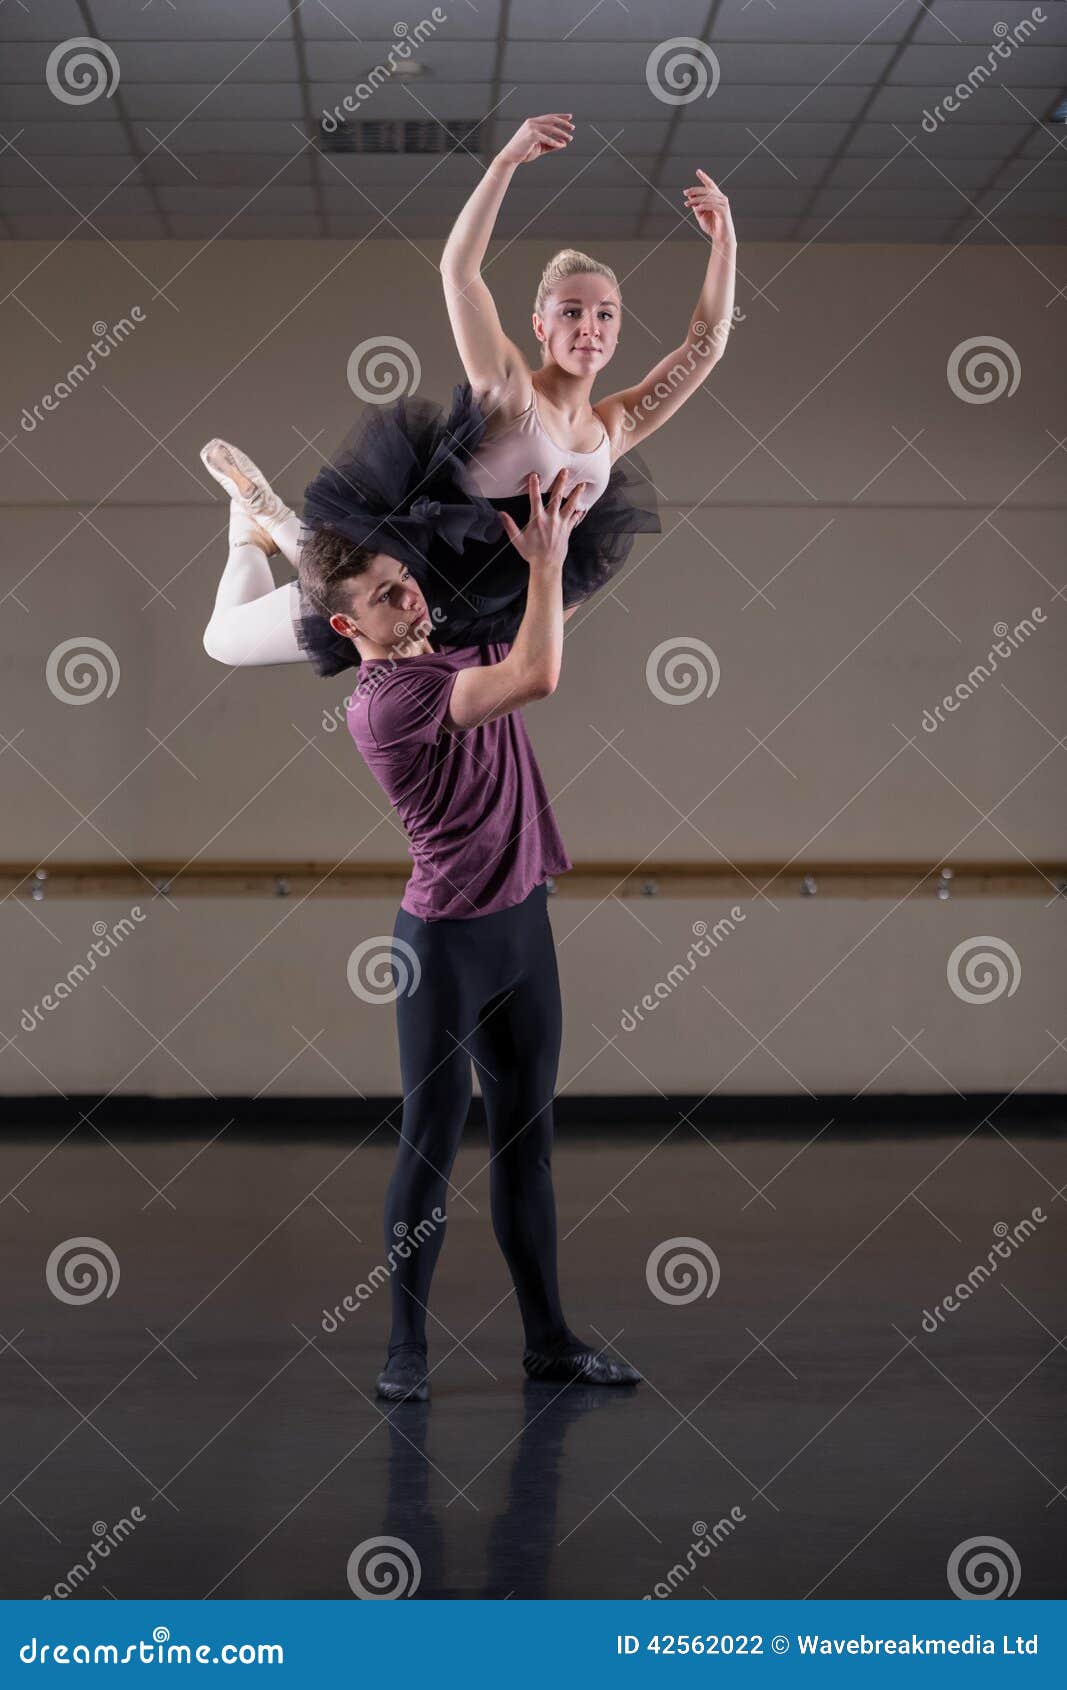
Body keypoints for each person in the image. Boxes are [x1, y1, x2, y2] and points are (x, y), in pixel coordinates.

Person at [320, 465, 643, 1403]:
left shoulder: (458, 649)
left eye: (405, 579)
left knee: (526, 1143)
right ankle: (404, 1349)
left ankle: (549, 1341)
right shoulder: (386, 702)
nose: (409, 596)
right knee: (429, 1142)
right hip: (445, 947)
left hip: (521, 930)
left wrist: (565, 538)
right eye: (385, 596)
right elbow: (537, 675)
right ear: (348, 627)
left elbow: (554, 620)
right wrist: (540, 568)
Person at [200, 114, 737, 674]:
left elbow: (705, 348)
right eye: (571, 312)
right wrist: (504, 163)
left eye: (605, 315)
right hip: (401, 586)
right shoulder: (510, 391)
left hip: (482, 616)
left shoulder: (613, 428)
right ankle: (253, 529)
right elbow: (458, 270)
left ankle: (269, 519)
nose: (589, 327)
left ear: (619, 331)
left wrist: (725, 243)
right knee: (223, 641)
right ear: (540, 326)